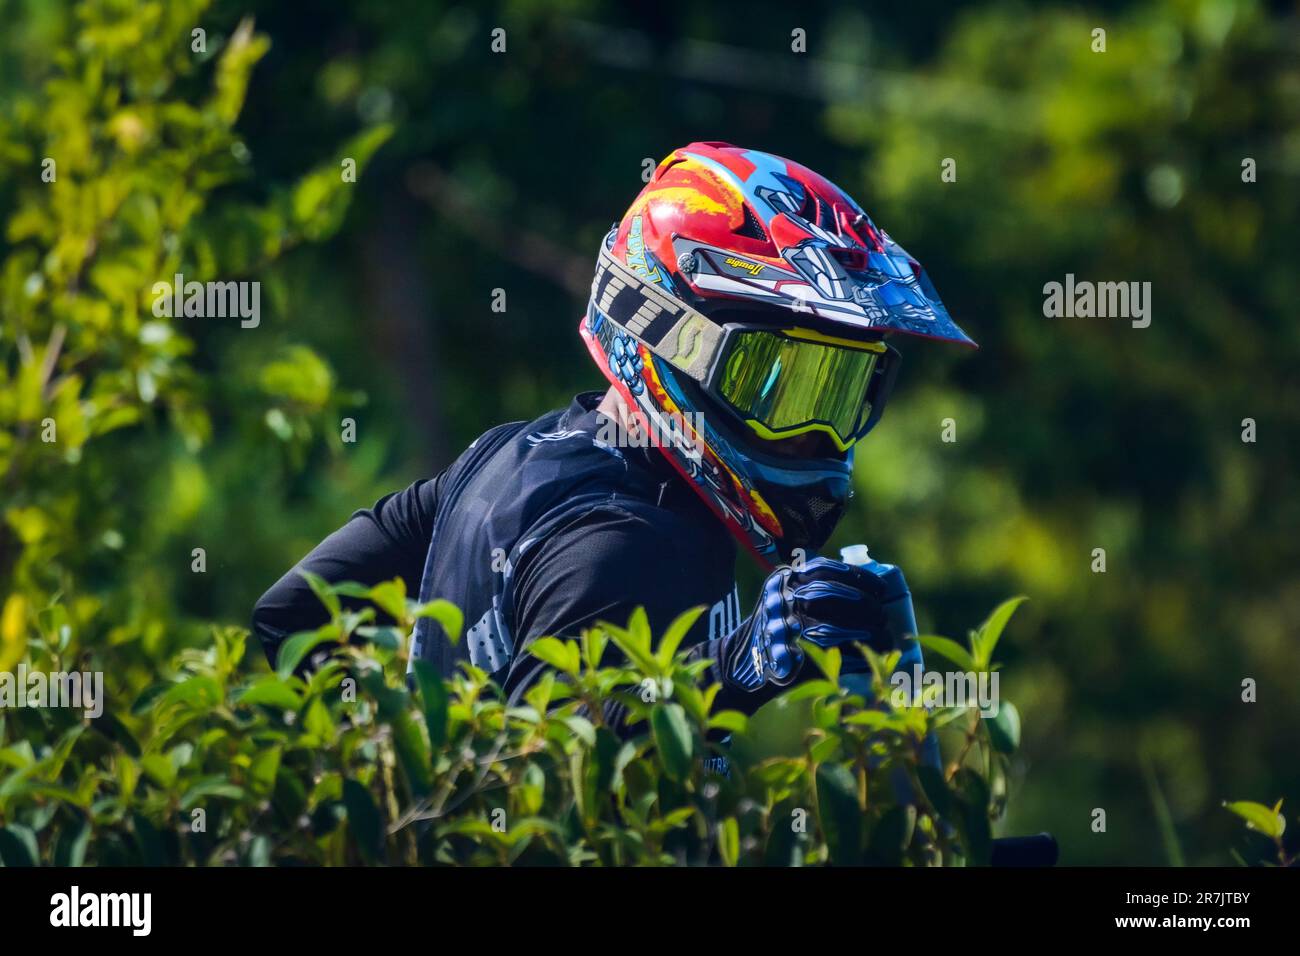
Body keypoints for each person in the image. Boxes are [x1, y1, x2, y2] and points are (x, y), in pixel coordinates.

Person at [252, 141, 975, 719]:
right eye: (775, 383)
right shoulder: (638, 545)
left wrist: (397, 792)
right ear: (669, 335)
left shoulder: (508, 451)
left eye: (844, 392)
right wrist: (733, 671)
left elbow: (290, 620)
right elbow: (552, 795)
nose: (818, 434)